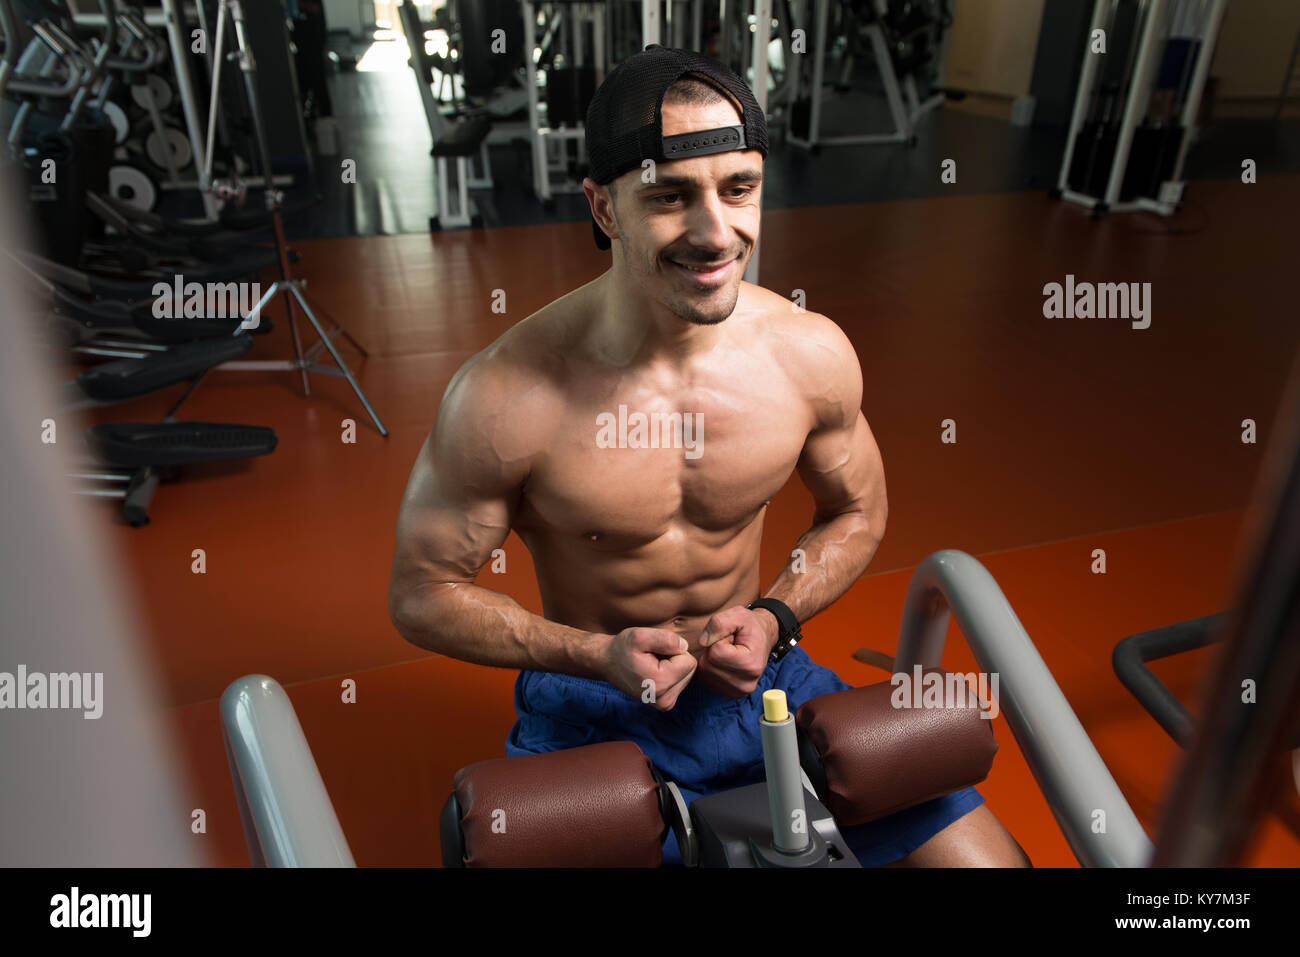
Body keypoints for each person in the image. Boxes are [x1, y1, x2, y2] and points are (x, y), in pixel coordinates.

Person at [389, 45, 1030, 867]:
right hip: (593, 704)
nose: (716, 232)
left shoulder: (808, 355)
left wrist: (775, 617)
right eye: (669, 196)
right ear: (604, 207)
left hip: (762, 683)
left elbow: (857, 510)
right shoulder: (505, 397)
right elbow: (421, 592)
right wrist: (591, 654)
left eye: (740, 189)